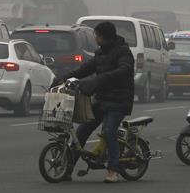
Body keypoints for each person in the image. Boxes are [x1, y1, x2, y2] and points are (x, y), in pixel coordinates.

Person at [56, 21, 134, 183]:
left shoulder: (123, 52)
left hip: (119, 100)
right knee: (81, 132)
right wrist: (63, 78)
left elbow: (124, 70)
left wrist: (99, 80)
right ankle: (67, 169)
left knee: (108, 131)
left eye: (97, 35)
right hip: (102, 99)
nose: (95, 38)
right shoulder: (100, 54)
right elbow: (84, 69)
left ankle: (113, 170)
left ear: (104, 37)